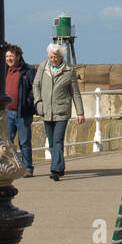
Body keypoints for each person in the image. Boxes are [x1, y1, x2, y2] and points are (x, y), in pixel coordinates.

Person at [33, 43, 85, 182]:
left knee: (57, 140)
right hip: (46, 110)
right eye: (51, 57)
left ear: (61, 57)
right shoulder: (43, 67)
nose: (53, 60)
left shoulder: (69, 70)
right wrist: (38, 102)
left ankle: (55, 169)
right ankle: (60, 167)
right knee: (51, 142)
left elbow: (75, 93)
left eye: (56, 57)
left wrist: (80, 112)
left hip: (61, 111)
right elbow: (36, 85)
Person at [5, 44, 36, 176]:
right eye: (7, 56)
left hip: (22, 111)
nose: (9, 59)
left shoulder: (28, 70)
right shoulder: (4, 70)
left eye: (11, 56)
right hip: (7, 112)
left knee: (24, 141)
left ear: (18, 56)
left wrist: (27, 103)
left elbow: (34, 90)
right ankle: (11, 166)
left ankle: (27, 167)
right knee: (7, 141)